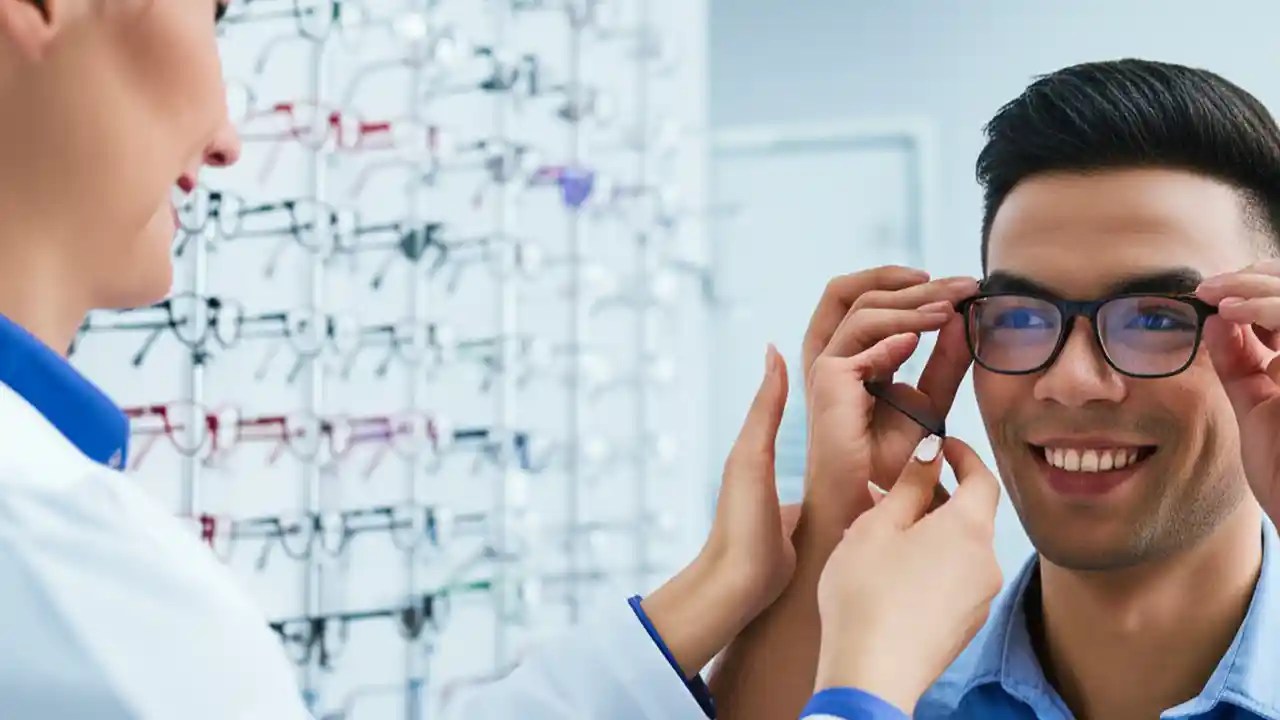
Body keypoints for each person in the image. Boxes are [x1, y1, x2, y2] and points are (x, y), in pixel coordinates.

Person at [0, 3, 1006, 719]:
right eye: (214, 13)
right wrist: (866, 680)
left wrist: (727, 583)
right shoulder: (57, 568)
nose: (227, 135)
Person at [711, 59, 1280, 720]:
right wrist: (831, 546)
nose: (1070, 383)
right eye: (1019, 316)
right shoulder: (879, 686)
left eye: (1155, 318)